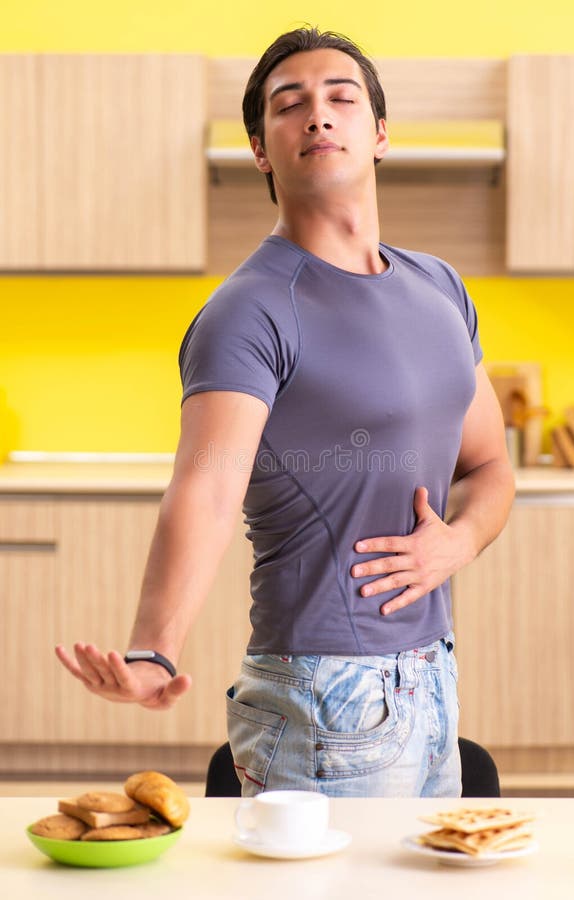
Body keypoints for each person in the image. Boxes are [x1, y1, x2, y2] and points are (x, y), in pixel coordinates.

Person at [56, 27, 515, 798]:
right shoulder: (251, 309)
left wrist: (458, 541)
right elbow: (205, 489)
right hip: (320, 694)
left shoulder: (440, 286)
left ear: (378, 135)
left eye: (341, 98)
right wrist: (152, 651)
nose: (317, 116)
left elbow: (489, 465)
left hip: (431, 675)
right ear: (260, 150)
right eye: (288, 104)